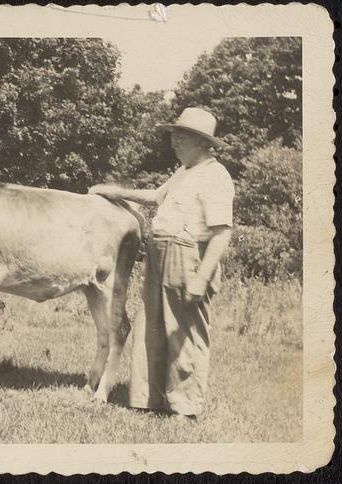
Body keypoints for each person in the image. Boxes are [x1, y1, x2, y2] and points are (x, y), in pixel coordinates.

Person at [89, 107, 234, 419]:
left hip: (188, 257)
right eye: (174, 137)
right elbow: (156, 197)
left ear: (201, 142)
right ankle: (149, 400)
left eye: (181, 138)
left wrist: (200, 278)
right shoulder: (184, 171)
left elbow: (222, 233)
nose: (175, 143)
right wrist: (115, 191)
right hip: (159, 252)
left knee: (185, 333)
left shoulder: (215, 175)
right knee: (151, 327)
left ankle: (184, 408)